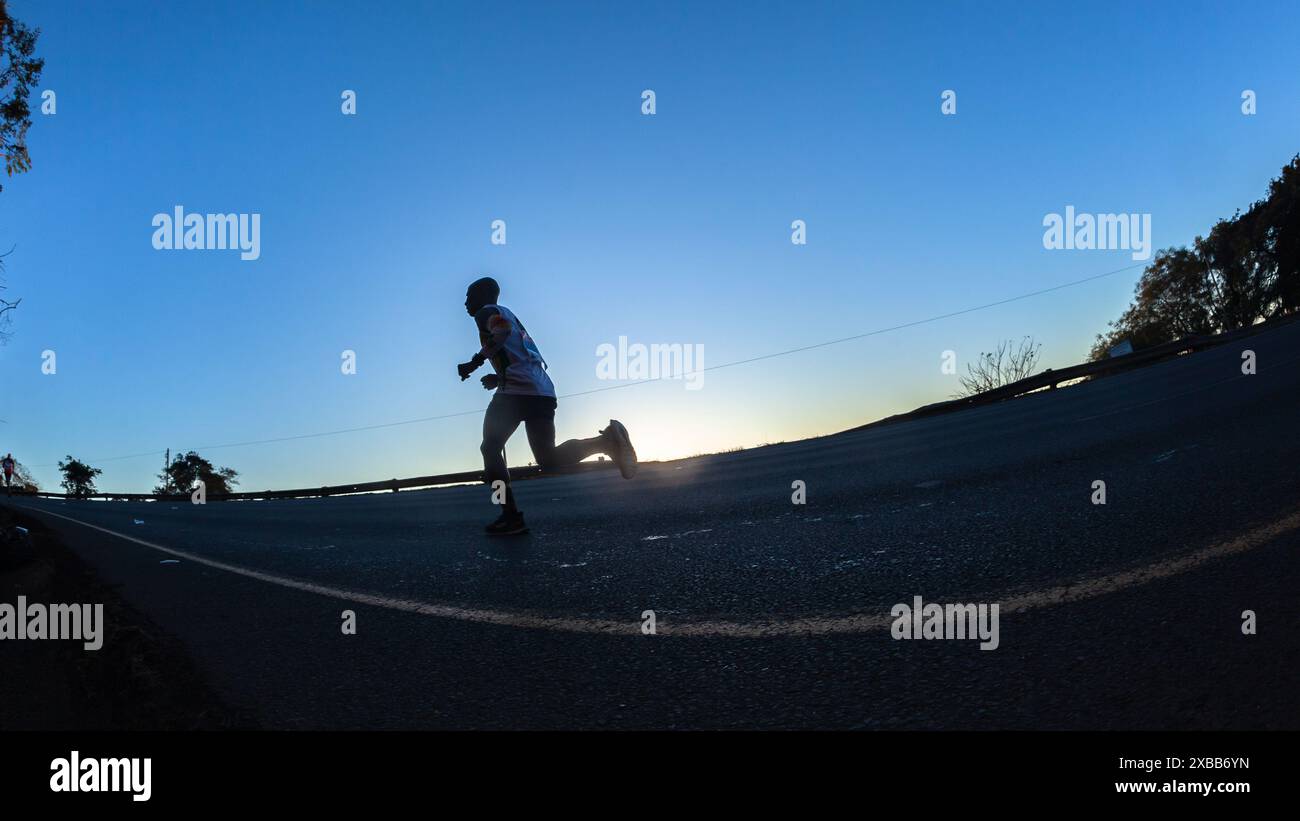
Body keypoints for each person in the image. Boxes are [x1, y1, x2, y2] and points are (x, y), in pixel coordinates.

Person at [456, 276, 637, 535]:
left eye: (468, 296)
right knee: (548, 459)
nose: (465, 303)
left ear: (482, 295)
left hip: (516, 393)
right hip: (540, 388)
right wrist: (499, 376)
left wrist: (474, 363)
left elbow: (501, 332)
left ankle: (510, 517)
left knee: (490, 448)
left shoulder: (487, 312)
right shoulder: (507, 313)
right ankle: (606, 442)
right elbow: (516, 353)